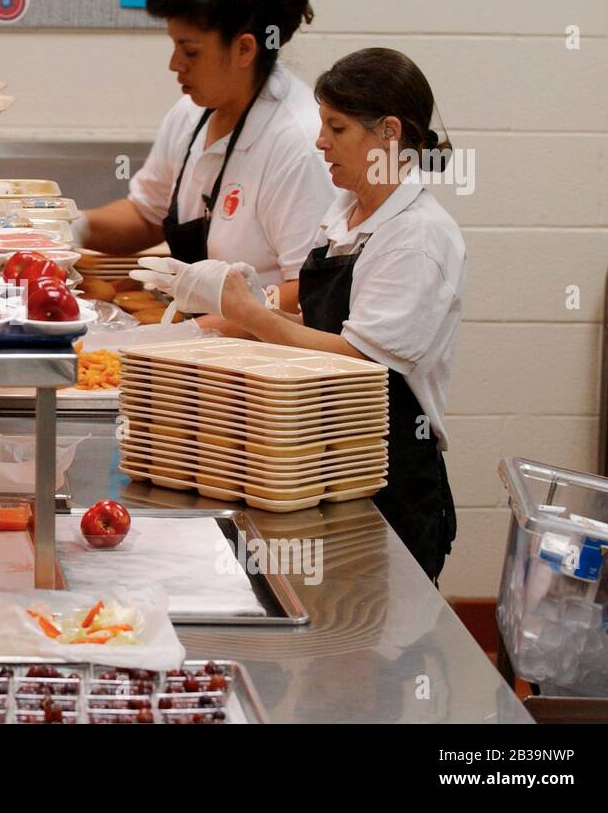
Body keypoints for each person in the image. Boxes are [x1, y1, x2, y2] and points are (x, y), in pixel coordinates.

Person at [158, 48, 464, 581]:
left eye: (337, 128)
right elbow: (325, 326)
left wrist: (251, 315)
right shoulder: (346, 212)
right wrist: (222, 319)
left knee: (377, 641)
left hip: (386, 477)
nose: (320, 141)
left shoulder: (416, 237)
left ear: (389, 132)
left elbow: (358, 359)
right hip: (323, 454)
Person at [77, 0, 335, 317]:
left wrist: (214, 324)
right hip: (202, 335)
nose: (174, 64)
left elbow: (308, 289)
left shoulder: (298, 142)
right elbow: (146, 215)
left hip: (264, 353)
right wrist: (74, 226)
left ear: (244, 49)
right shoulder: (191, 113)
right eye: (174, 46)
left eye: (190, 51)